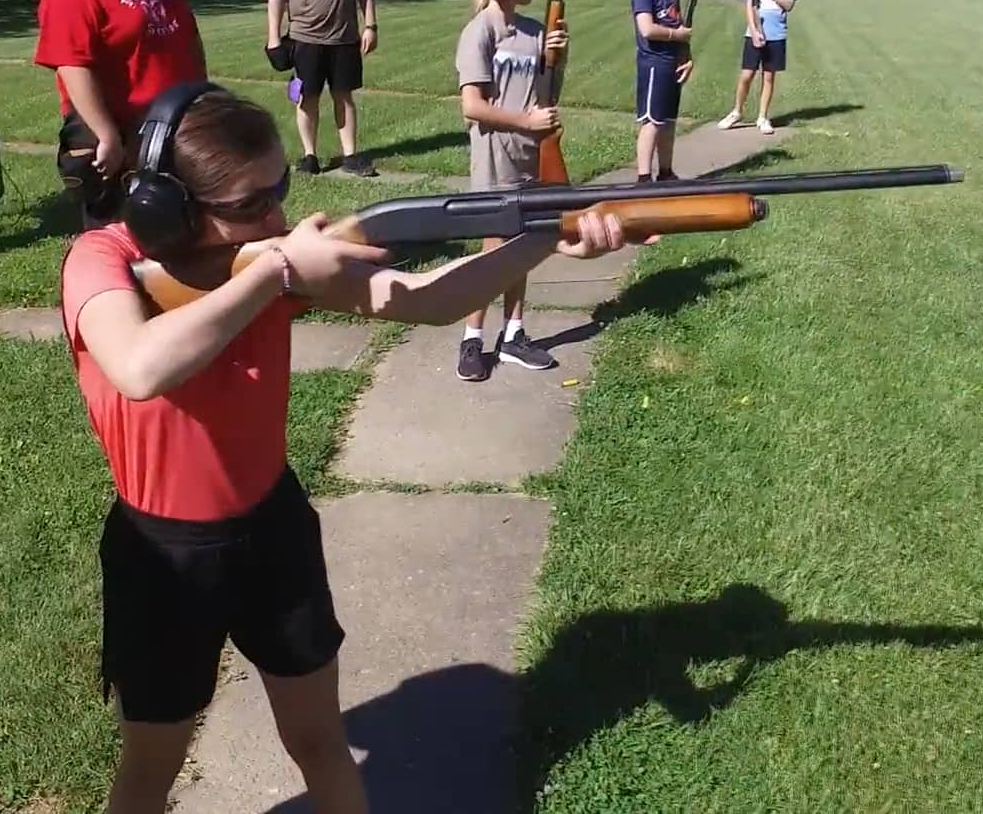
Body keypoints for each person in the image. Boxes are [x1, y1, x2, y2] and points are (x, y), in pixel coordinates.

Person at [59, 81, 635, 813]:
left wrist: (545, 237)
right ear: (167, 209)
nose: (275, 217)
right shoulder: (100, 259)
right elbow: (140, 367)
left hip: (273, 532)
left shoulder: (268, 260)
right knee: (152, 766)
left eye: (280, 190)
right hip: (164, 557)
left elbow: (429, 300)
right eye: (248, 206)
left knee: (319, 742)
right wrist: (276, 270)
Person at [35, 0, 208, 229]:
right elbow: (72, 65)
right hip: (115, 121)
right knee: (117, 230)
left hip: (172, 114)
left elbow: (186, 31)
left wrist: (200, 96)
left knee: (180, 221)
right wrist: (107, 135)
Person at [451, 0, 568, 381]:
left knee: (522, 247)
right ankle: (472, 338)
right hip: (495, 157)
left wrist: (558, 53)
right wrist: (525, 119)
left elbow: (548, 95)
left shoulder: (534, 31)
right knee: (491, 249)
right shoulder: (479, 32)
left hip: (529, 156)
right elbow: (473, 107)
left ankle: (514, 333)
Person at [266, 0, 378, 178]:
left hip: (344, 38)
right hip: (305, 39)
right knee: (307, 98)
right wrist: (274, 38)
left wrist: (370, 26)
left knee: (345, 96)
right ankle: (309, 156)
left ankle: (350, 155)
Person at [719, 0, 800, 136]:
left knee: (769, 77)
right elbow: (750, 4)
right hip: (754, 33)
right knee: (746, 75)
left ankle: (763, 117)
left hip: (777, 35)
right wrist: (755, 30)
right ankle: (737, 111)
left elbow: (789, 5)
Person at [630, 0, 693, 182]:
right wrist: (677, 36)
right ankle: (643, 178)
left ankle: (666, 173)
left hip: (671, 61)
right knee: (652, 122)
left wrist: (686, 55)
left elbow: (681, 27)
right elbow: (647, 28)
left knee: (668, 122)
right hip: (654, 62)